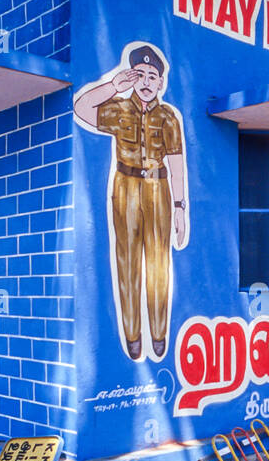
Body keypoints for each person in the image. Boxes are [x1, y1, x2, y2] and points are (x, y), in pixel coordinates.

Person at [74, 44, 188, 361]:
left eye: (153, 76)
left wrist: (180, 207)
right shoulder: (118, 109)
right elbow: (82, 107)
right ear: (132, 77)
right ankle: (133, 335)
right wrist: (113, 86)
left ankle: (159, 332)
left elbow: (177, 161)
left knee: (158, 264)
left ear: (162, 82)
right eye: (140, 74)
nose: (147, 82)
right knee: (127, 262)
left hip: (158, 188)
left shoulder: (168, 117)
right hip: (125, 185)